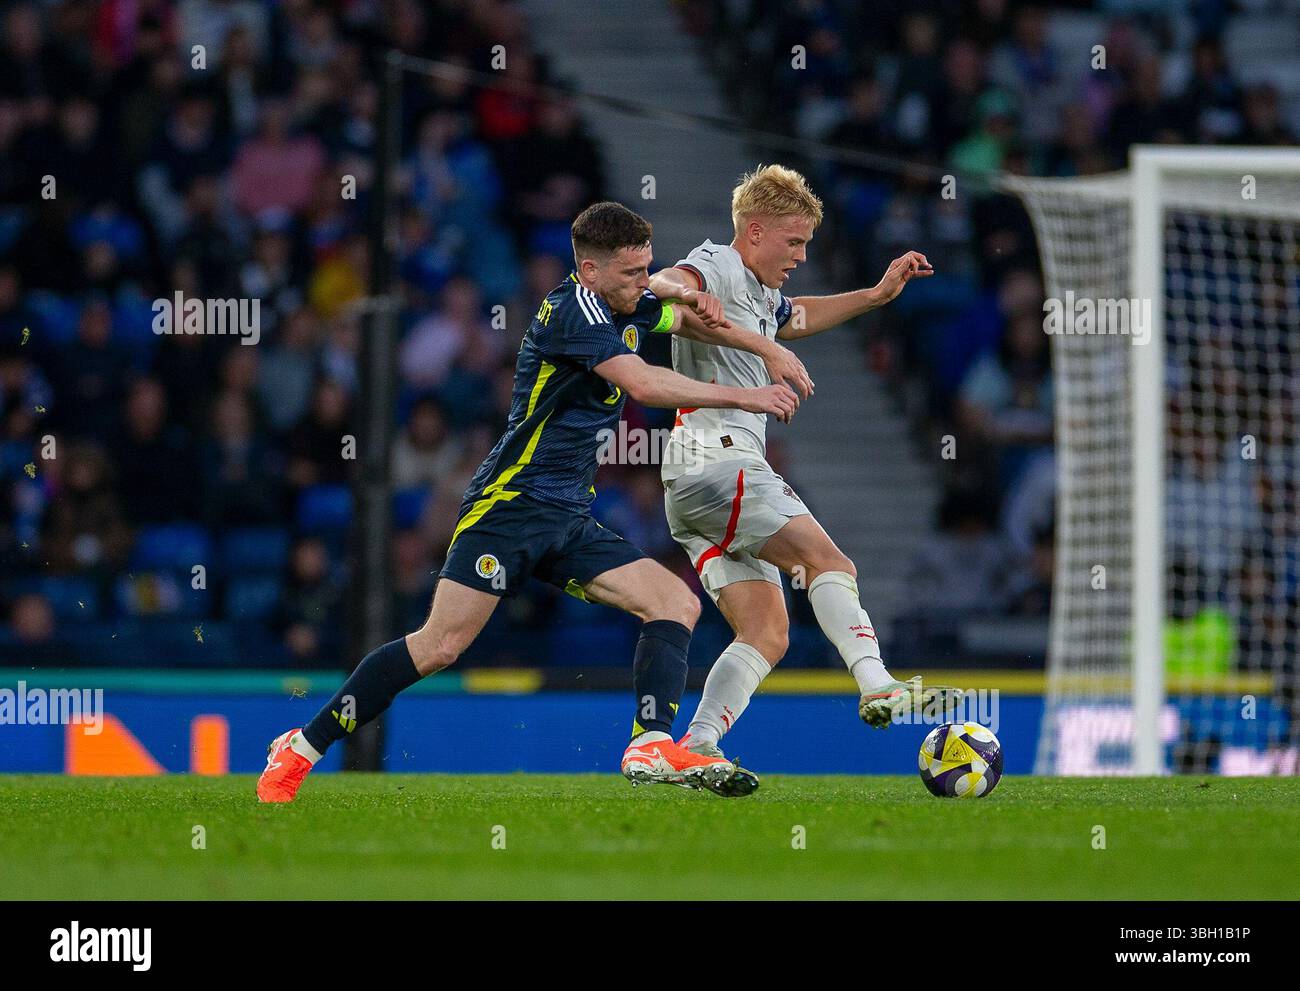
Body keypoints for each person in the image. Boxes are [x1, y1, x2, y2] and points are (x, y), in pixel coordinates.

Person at [256, 201, 801, 801]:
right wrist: (750, 395)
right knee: (439, 646)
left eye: (646, 269)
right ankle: (302, 745)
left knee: (674, 600)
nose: (642, 282)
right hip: (511, 506)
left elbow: (681, 316)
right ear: (589, 271)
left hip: (568, 515)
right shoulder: (573, 312)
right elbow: (645, 383)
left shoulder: (626, 299)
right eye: (631, 273)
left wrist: (765, 345)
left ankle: (650, 743)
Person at [649, 165, 960, 795]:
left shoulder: (757, 292)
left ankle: (697, 747)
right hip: (720, 457)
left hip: (693, 482)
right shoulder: (717, 264)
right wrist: (681, 291)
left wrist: (874, 295)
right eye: (794, 242)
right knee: (829, 563)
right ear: (755, 230)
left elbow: (797, 318)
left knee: (766, 630)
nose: (801, 255)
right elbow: (660, 285)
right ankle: (878, 685)